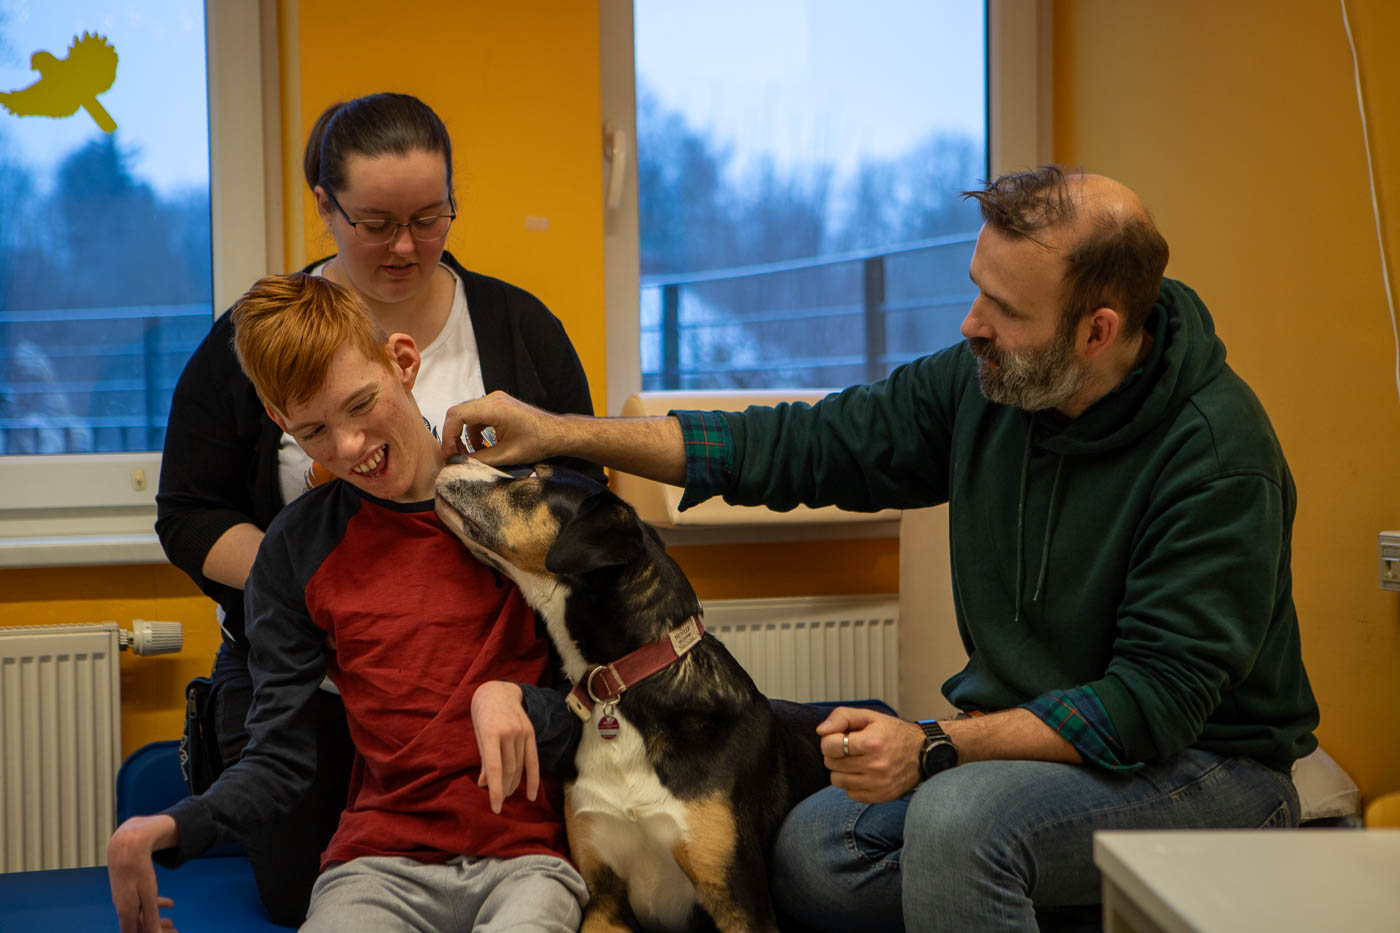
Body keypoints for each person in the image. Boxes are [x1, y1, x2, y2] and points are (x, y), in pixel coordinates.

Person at [438, 166, 1320, 932]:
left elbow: (1149, 706)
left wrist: (938, 746)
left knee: (961, 826)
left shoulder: (1216, 457)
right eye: (976, 288)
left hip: (1206, 769)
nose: (972, 323)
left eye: (1004, 310)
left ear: (1097, 329)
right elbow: (801, 445)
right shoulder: (996, 383)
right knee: (809, 852)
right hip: (1034, 757)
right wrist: (557, 430)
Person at [154, 92, 601, 924]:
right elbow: (186, 513)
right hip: (316, 680)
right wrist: (329, 584)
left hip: (499, 679)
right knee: (306, 892)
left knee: (540, 869)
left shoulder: (517, 327)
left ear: (403, 367)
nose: (406, 246)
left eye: (431, 218)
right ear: (324, 206)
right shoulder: (257, 344)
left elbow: (588, 508)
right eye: (375, 222)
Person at [111, 273, 588, 933]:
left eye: (362, 404)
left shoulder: (528, 509)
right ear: (281, 424)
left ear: (403, 361)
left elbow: (604, 702)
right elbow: (277, 759)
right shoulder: (295, 549)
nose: (349, 448)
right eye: (313, 431)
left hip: (527, 860)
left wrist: (519, 700)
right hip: (376, 866)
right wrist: (162, 826)